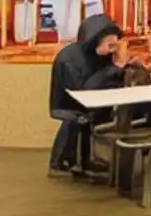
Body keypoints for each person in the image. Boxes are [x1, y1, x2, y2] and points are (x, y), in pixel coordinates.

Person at [48, 14, 128, 175]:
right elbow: (84, 90)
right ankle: (60, 162)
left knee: (86, 123)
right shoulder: (70, 59)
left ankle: (84, 161)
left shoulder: (97, 56)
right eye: (110, 44)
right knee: (76, 121)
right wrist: (115, 67)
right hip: (70, 103)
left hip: (89, 102)